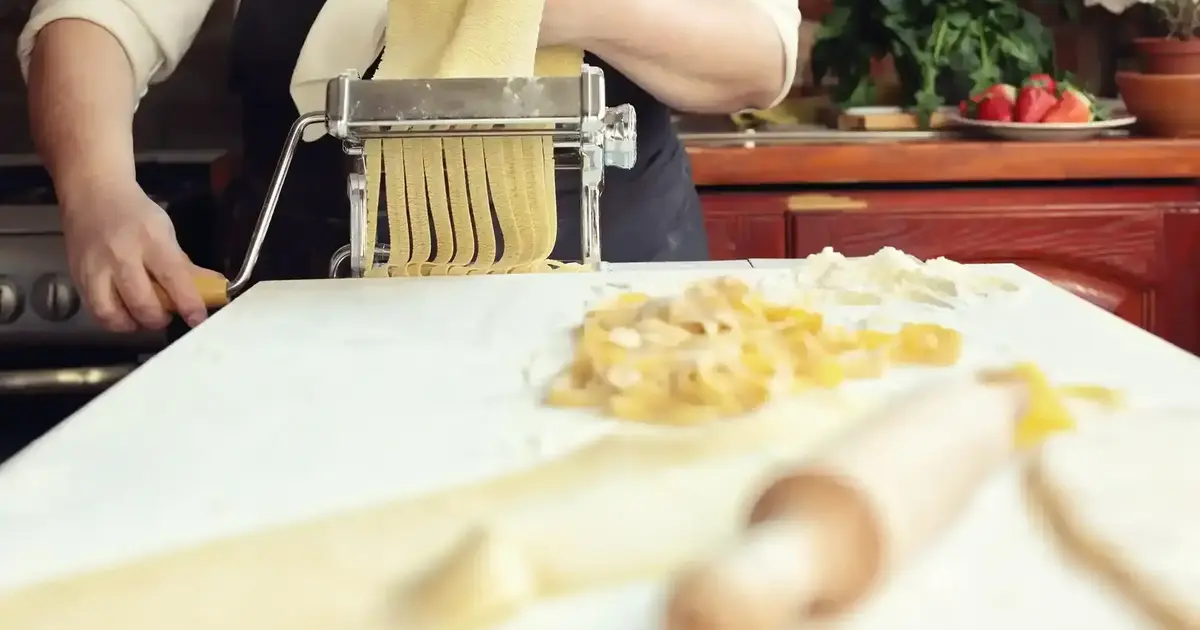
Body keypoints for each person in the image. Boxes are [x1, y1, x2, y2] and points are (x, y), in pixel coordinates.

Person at [19, 0, 800, 332]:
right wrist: (96, 191)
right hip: (312, 313)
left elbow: (758, 53)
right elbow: (96, 19)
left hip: (617, 304)